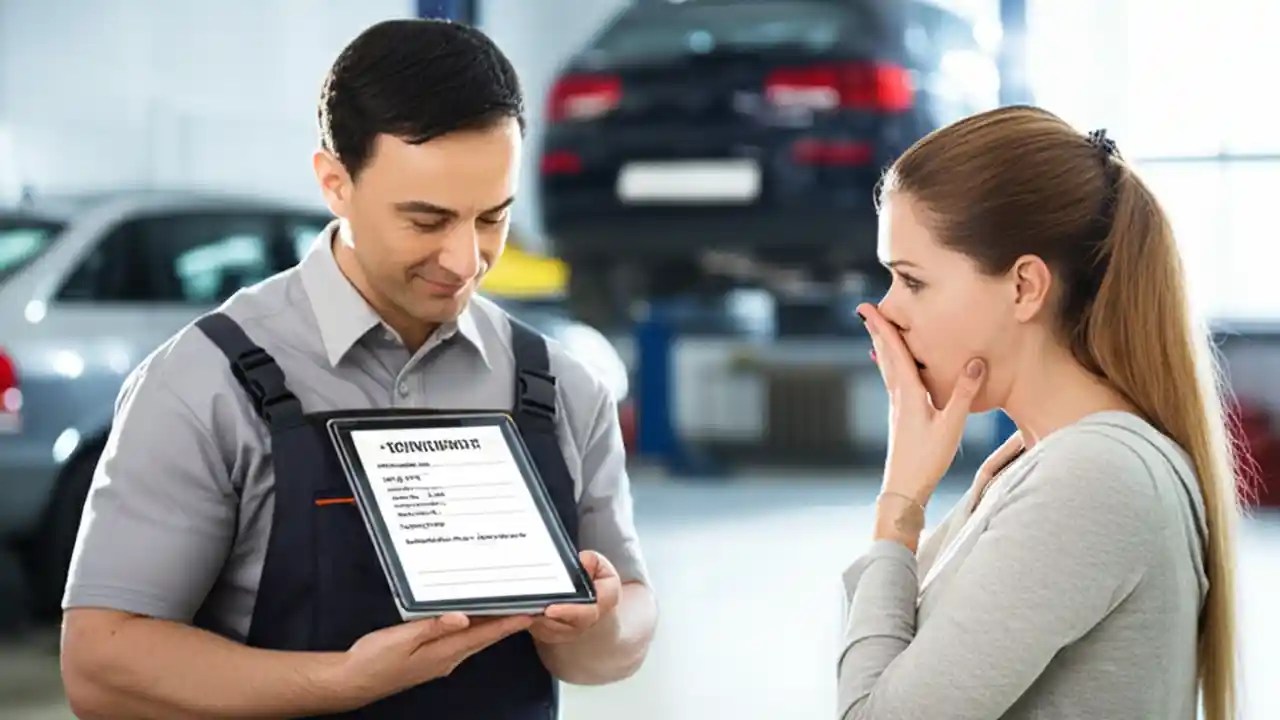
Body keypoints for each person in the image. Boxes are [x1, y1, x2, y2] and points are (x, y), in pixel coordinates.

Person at [59, 18, 656, 719]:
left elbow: (628, 617)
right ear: (335, 183)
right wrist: (341, 682)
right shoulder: (202, 383)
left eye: (491, 218)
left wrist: (595, 625)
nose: (465, 261)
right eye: (426, 221)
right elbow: (101, 667)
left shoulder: (560, 388)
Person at [838, 105, 1241, 720]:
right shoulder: (1035, 463)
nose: (887, 311)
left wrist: (900, 505)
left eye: (913, 281)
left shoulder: (1092, 478)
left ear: (1025, 287)